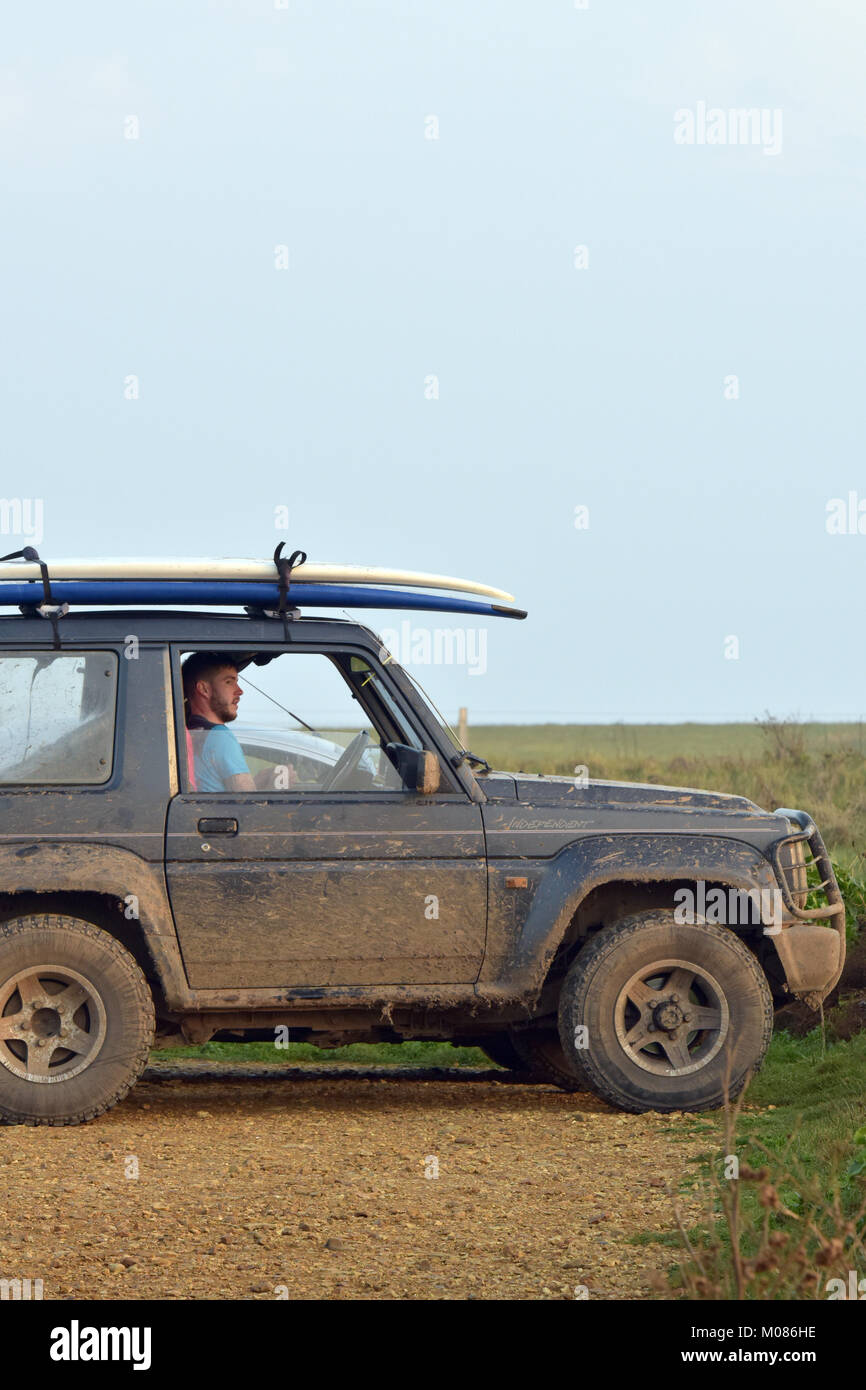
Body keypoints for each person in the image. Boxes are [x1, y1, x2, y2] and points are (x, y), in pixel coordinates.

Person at [182, 652, 256, 792]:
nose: (239, 691)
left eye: (237, 682)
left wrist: (262, 780)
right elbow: (248, 801)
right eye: (229, 682)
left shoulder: (186, 732)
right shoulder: (219, 736)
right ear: (204, 689)